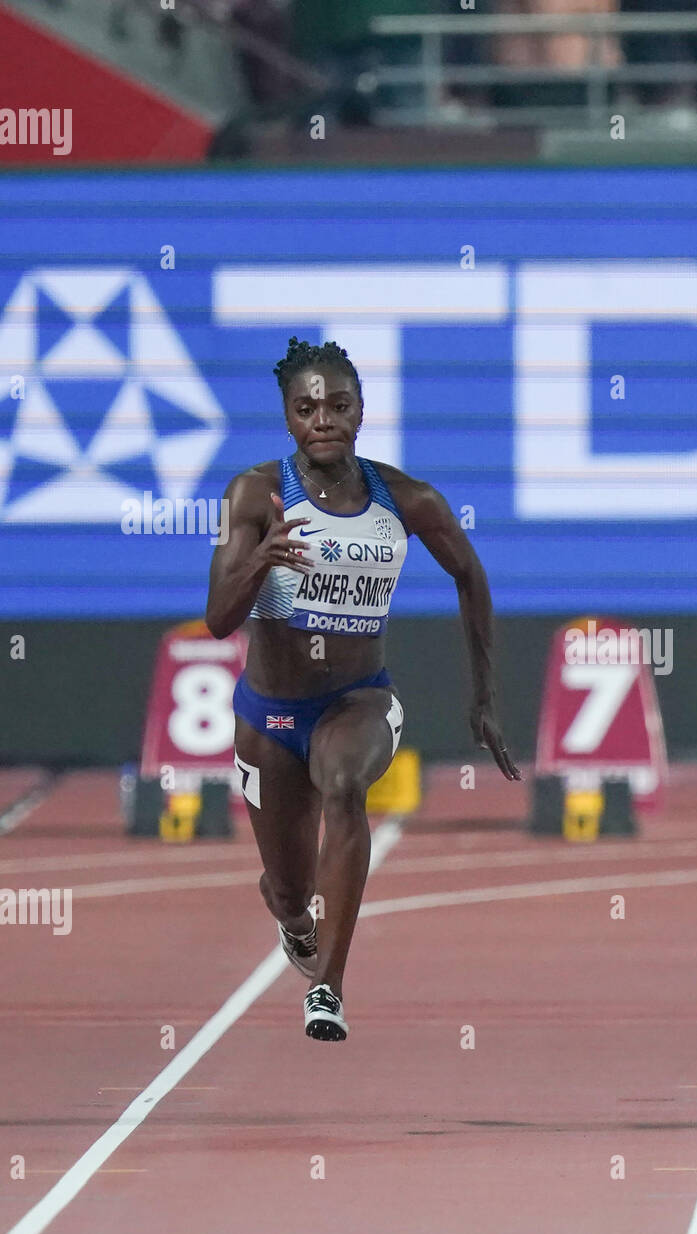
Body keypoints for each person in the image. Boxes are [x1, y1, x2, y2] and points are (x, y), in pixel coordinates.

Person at [206, 338, 521, 1042]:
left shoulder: (405, 499)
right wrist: (261, 558)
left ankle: (328, 990)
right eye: (307, 407)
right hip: (266, 717)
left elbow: (470, 576)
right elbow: (219, 618)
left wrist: (484, 699)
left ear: (360, 413)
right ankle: (290, 912)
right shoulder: (254, 494)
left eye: (339, 406)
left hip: (358, 701)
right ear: (289, 418)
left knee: (345, 784)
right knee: (290, 892)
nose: (324, 419)